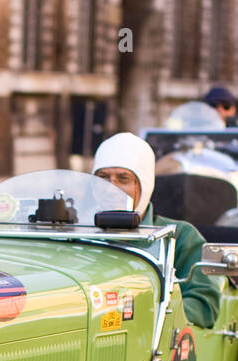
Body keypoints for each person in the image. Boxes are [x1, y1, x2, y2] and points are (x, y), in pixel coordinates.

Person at [92, 132, 219, 329]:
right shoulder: (74, 234)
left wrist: (149, 313)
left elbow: (204, 305)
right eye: (103, 178)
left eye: (123, 179)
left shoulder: (180, 237)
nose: (111, 188)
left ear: (144, 184)